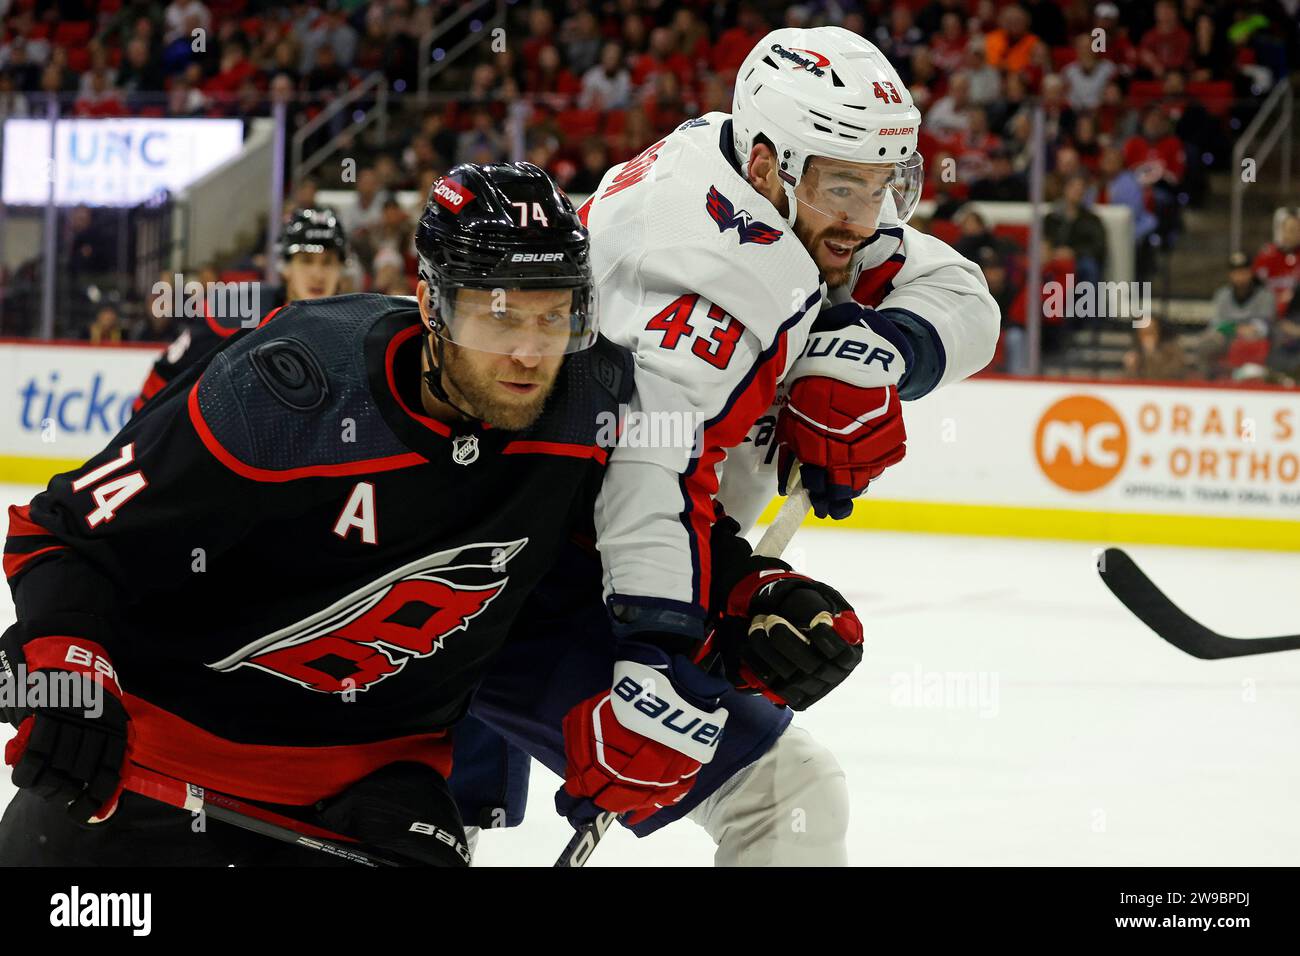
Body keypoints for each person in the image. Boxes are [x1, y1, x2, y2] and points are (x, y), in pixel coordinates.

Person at [450, 27, 999, 865]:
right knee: (788, 800)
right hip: (523, 571)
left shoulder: (746, 166)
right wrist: (661, 653)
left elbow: (963, 298)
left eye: (887, 185)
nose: (866, 218)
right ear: (775, 165)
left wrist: (870, 351)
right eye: (845, 186)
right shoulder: (709, 275)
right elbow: (645, 475)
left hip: (548, 534)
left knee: (434, 812)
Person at [0, 162, 625, 866]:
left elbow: (658, 544)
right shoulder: (286, 390)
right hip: (153, 762)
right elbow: (63, 533)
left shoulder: (590, 404)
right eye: (501, 314)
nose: (529, 351)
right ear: (432, 304)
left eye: (554, 317)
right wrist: (67, 663)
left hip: (369, 798)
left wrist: (740, 603)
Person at [132, 208, 348, 411]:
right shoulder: (236, 309)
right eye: (307, 261)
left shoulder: (356, 326)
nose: (318, 274)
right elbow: (165, 375)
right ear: (286, 267)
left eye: (328, 263)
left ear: (341, 269)